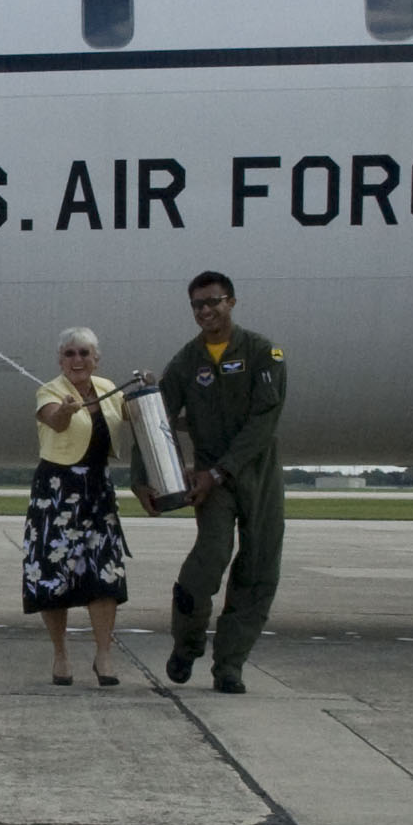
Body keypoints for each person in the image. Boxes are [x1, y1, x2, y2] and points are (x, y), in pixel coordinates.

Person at [139, 272, 286, 695]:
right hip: (212, 483)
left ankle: (230, 665)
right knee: (207, 562)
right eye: (197, 305)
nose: (205, 311)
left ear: (232, 302)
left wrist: (220, 470)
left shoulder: (263, 354)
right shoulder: (187, 361)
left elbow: (264, 422)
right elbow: (153, 414)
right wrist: (144, 479)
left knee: (258, 570)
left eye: (213, 302)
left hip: (256, 475)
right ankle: (186, 646)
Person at [26, 328, 132, 685]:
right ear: (60, 360)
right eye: (69, 354)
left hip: (97, 491)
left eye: (84, 353)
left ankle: (104, 655)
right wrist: (68, 412)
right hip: (57, 491)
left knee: (105, 571)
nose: (77, 360)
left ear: (96, 358)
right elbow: (54, 419)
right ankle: (61, 655)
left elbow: (137, 414)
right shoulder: (50, 391)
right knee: (54, 572)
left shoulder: (108, 389)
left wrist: (150, 388)